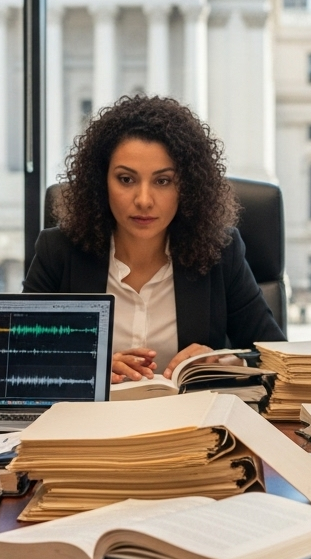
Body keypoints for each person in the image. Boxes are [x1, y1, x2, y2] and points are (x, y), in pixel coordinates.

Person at [23, 95, 284, 382]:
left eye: (163, 181)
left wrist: (229, 361)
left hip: (190, 423)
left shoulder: (221, 252)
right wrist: (86, 367)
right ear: (101, 182)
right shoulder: (59, 252)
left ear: (187, 186)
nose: (144, 200)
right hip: (92, 423)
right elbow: (17, 356)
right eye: (126, 179)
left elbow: (277, 357)